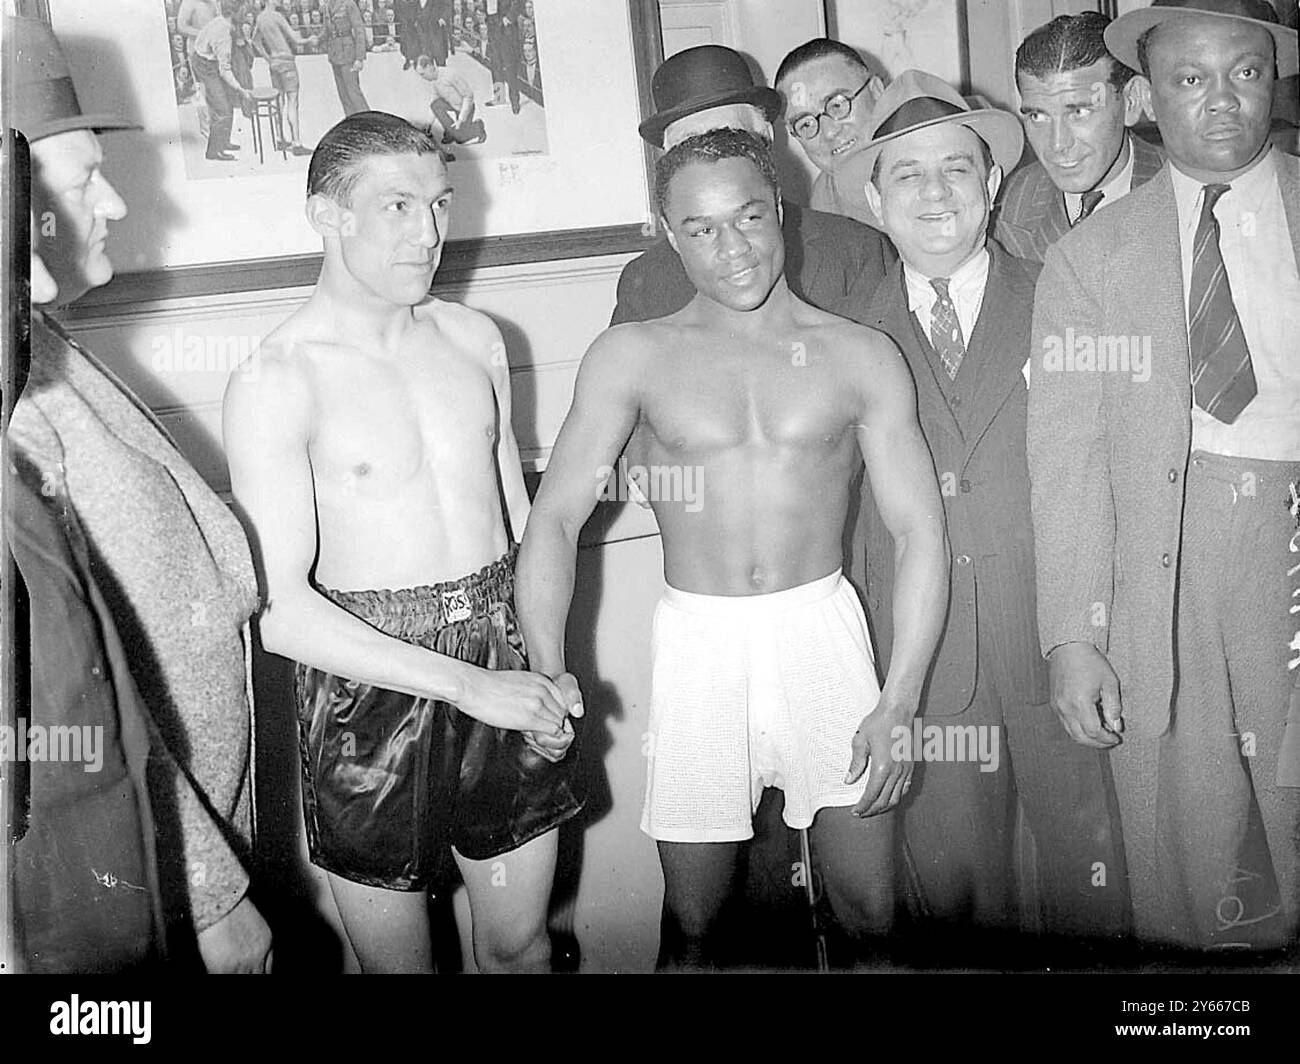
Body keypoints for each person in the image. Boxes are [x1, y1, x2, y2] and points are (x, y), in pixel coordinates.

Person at [516, 128, 949, 969]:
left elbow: (919, 529)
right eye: (703, 228)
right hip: (700, 645)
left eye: (749, 217)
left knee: (870, 915)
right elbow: (556, 518)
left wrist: (899, 701)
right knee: (696, 924)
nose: (733, 248)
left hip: (823, 637)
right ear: (668, 232)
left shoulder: (861, 354)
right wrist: (544, 666)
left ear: (780, 212)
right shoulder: (631, 356)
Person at [222, 111, 584, 973]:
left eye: (438, 204)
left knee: (520, 944)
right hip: (368, 690)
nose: (427, 235)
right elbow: (281, 614)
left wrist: (548, 667)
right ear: (326, 213)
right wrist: (471, 688)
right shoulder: (277, 378)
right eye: (395, 207)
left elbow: (527, 532)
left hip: (502, 650)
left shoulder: (476, 339)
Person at [1028, 0, 1300, 951]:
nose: (1222, 100)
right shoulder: (1090, 259)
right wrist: (1071, 633)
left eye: (1247, 72)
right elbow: (1067, 461)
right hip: (1164, 567)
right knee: (1186, 843)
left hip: (1293, 547)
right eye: (1191, 78)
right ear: (1144, 95)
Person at [5, 14, 272, 973]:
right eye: (82, 183)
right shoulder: (11, 412)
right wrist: (209, 895)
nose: (114, 202)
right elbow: (55, 696)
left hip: (204, 826)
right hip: (146, 882)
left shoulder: (49, 348)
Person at [848, 70, 1130, 960]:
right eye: (908, 174)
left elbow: (1121, 475)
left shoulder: (1068, 295)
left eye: (958, 170)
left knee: (1095, 886)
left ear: (994, 182)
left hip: (1059, 647)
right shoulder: (844, 336)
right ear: (873, 197)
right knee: (960, 907)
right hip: (925, 665)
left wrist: (1094, 634)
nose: (935, 193)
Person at [612, 45, 896, 328]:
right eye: (691, 146)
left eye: (732, 139)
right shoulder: (645, 282)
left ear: (766, 138)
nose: (715, 160)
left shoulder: (855, 251)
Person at [996, 11, 1165, 263]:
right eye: (1038, 116)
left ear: (1131, 101)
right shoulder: (1020, 194)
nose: (1057, 144)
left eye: (1078, 112)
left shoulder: (1182, 189)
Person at [775, 38, 888, 228]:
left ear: (877, 92)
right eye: (805, 124)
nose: (829, 132)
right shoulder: (824, 203)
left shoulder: (936, 159)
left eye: (837, 105)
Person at [253, 0, 320, 155]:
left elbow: (255, 41)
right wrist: (309, 39)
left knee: (279, 101)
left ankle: (279, 138)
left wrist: (268, 58)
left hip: (274, 62)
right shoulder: (277, 16)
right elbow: (296, 39)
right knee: (292, 101)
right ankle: (297, 142)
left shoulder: (260, 18)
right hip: (286, 61)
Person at [192, 0, 255, 161]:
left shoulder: (223, 21)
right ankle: (213, 151)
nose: (246, 14)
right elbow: (224, 70)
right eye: (243, 10)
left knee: (227, 103)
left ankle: (223, 142)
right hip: (205, 65)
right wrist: (241, 89)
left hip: (206, 58)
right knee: (222, 109)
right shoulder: (224, 34)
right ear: (235, 12)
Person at [416, 54, 485, 144]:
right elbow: (434, 100)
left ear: (429, 67)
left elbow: (468, 96)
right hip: (452, 104)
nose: (422, 77)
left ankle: (477, 127)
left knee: (460, 139)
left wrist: (460, 119)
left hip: (465, 108)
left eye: (422, 74)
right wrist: (429, 124)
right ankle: (451, 131)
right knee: (435, 105)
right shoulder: (434, 81)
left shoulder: (450, 74)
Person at [178, 0, 218, 140]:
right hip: (196, 52)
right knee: (201, 90)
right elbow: (181, 26)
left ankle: (217, 128)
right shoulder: (189, 3)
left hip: (213, 51)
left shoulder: (213, 2)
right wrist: (202, 33)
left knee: (215, 91)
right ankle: (206, 129)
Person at [323, 0, 370, 117]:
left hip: (348, 54)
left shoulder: (349, 4)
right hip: (334, 55)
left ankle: (370, 123)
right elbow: (326, 32)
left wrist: (360, 58)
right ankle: (352, 124)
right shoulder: (327, 6)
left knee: (353, 93)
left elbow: (359, 30)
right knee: (343, 95)